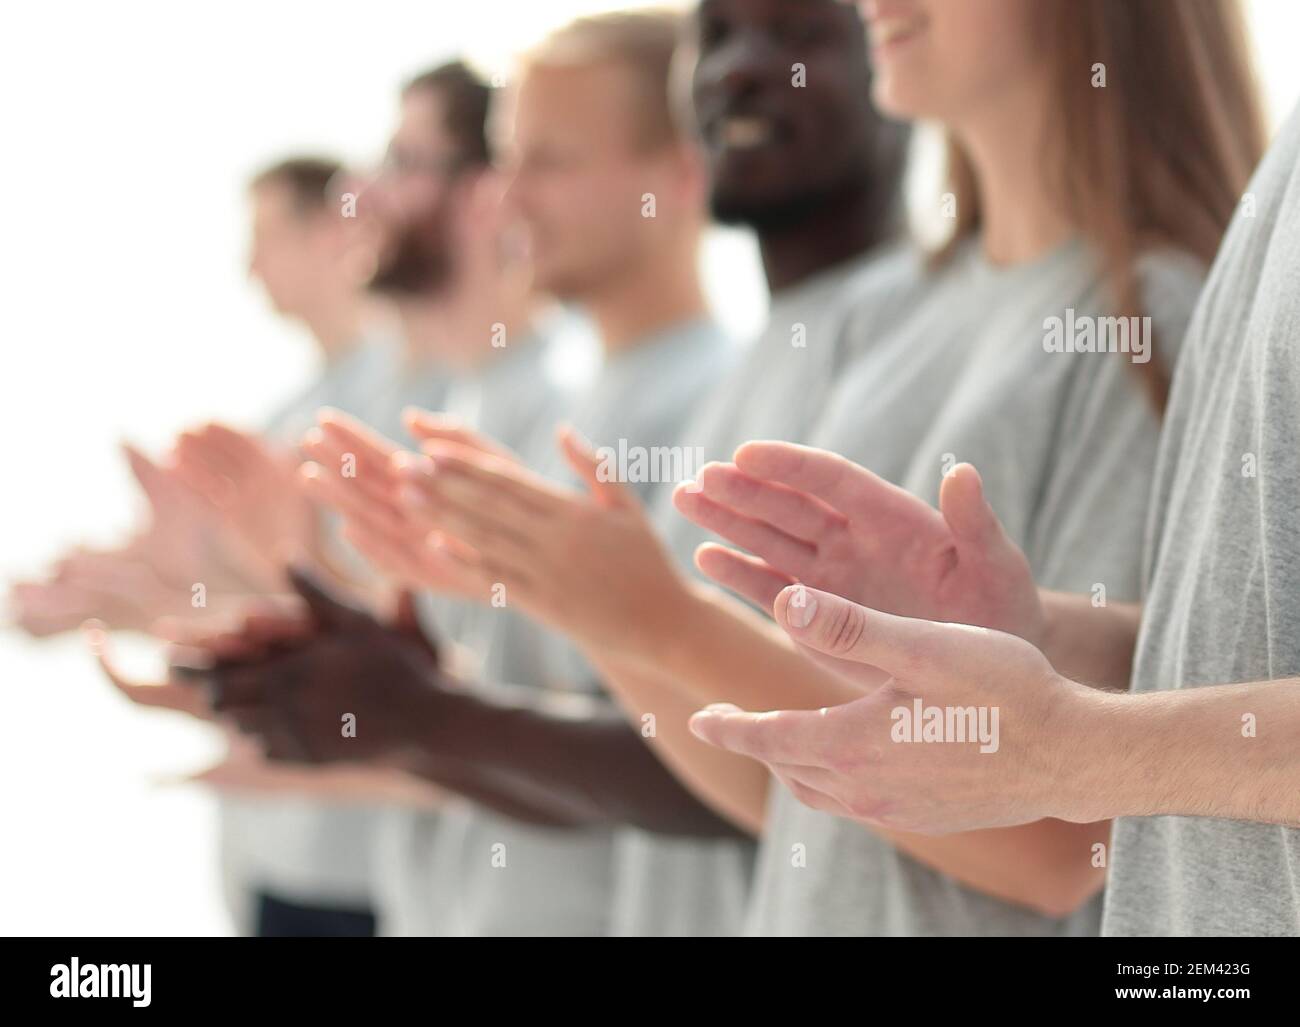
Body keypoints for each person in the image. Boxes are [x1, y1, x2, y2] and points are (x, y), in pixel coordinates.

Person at [350, 0, 1262, 937]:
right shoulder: (896, 315)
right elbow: (785, 786)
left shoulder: (1143, 318)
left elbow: (1060, 846)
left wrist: (657, 618)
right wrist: (578, 595)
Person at [254, 0, 912, 936]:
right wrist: (391, 695)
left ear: (682, 173)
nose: (503, 197)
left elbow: (744, 765)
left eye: (547, 163)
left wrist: (416, 714)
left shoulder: (698, 394)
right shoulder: (649, 394)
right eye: (505, 160)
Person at [688, 91, 1300, 938]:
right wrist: (1038, 639)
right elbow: (1246, 648)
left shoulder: (1140, 301)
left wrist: (1070, 746)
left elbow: (1056, 852)